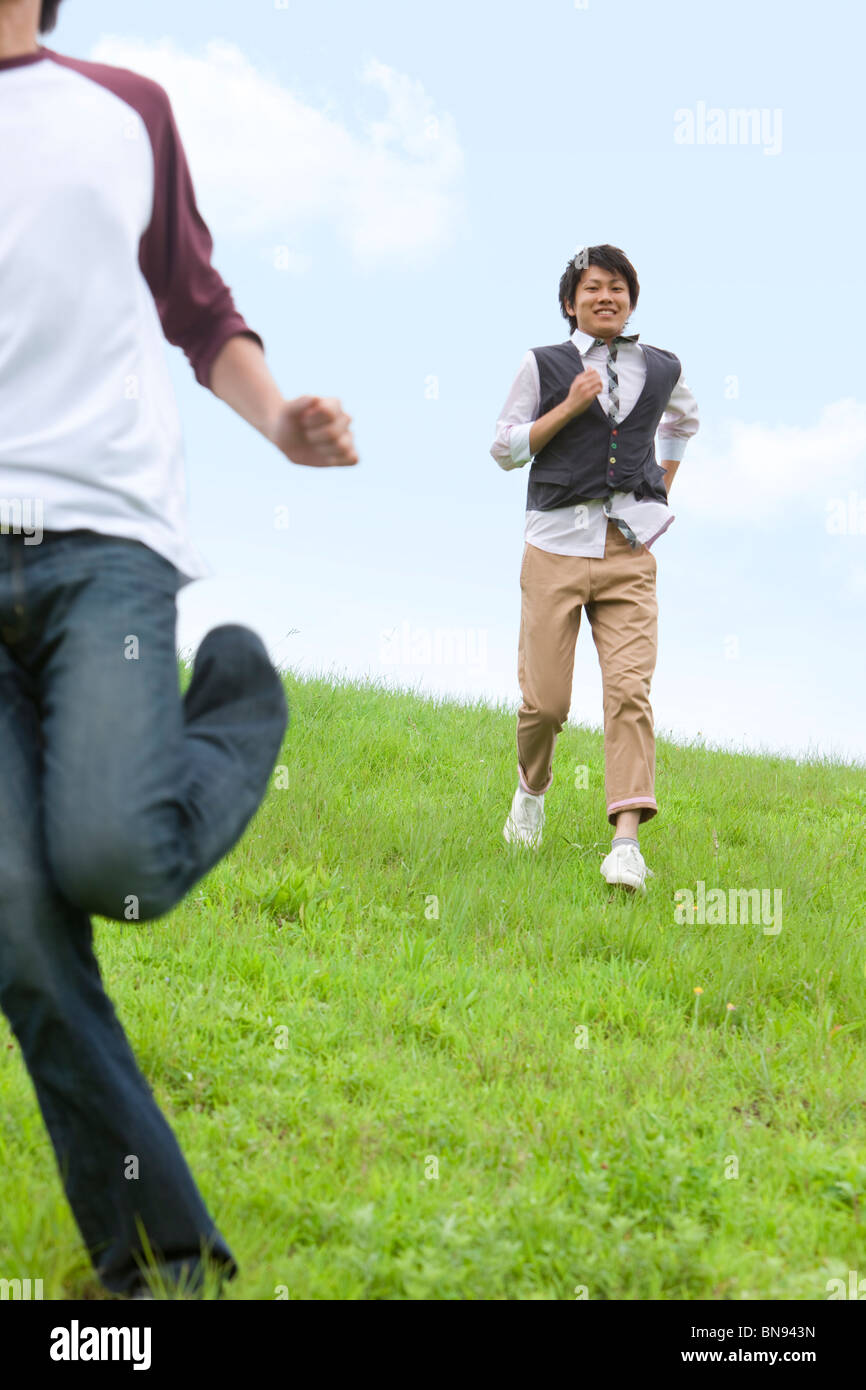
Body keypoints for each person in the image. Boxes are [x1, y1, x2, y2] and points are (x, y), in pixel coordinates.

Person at [0, 0, 357, 1297]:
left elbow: (197, 303)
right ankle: (161, 1262)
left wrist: (279, 422)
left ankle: (237, 700)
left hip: (102, 542)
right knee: (18, 935)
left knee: (114, 863)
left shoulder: (123, 112)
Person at [490, 244, 699, 891]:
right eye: (592, 289)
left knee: (630, 692)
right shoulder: (543, 364)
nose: (606, 296)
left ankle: (626, 845)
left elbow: (684, 422)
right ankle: (532, 789)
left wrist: (659, 486)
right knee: (546, 703)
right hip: (553, 543)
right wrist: (569, 406)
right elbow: (503, 449)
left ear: (631, 299)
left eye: (617, 287)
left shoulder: (662, 367)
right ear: (570, 304)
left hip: (628, 553)